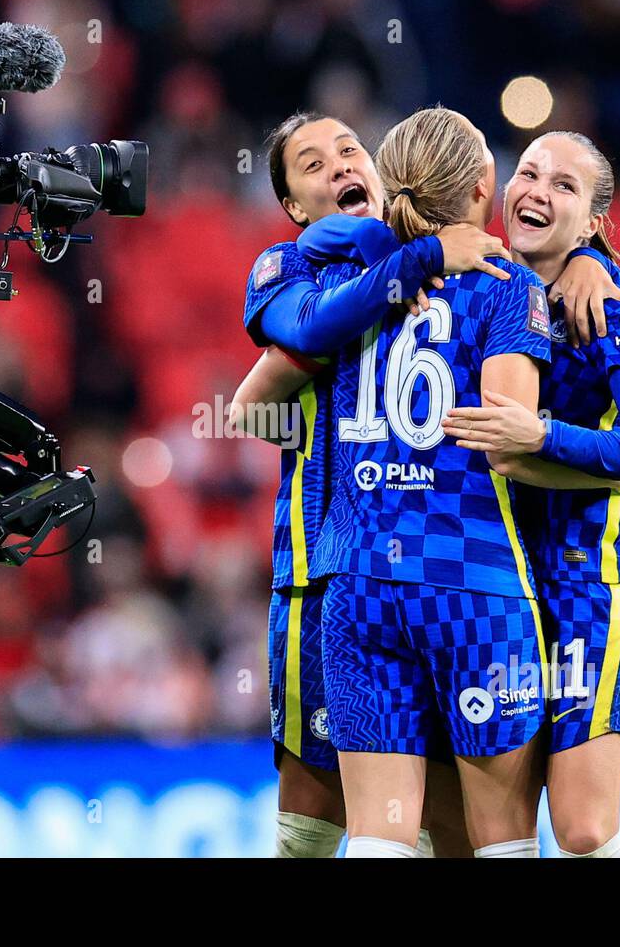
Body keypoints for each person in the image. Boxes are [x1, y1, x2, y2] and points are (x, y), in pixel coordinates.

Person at [296, 107, 620, 858]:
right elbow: (508, 440)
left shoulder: (354, 278)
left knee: (382, 839)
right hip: (474, 586)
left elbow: (260, 392)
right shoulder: (506, 284)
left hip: (356, 582)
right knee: (502, 846)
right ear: (486, 184)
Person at [235, 111, 507, 857]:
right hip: (324, 577)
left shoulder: (456, 266)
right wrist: (400, 274)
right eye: (312, 164)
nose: (339, 165)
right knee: (313, 826)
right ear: (293, 206)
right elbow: (253, 407)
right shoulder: (285, 268)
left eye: (349, 149)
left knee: (442, 822)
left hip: (444, 577)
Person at [441, 131, 620, 857]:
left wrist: (537, 437)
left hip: (580, 584)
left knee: (581, 831)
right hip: (478, 585)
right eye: (529, 172)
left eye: (565, 185)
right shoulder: (467, 277)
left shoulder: (610, 307)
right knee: (477, 834)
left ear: (596, 221)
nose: (537, 190)